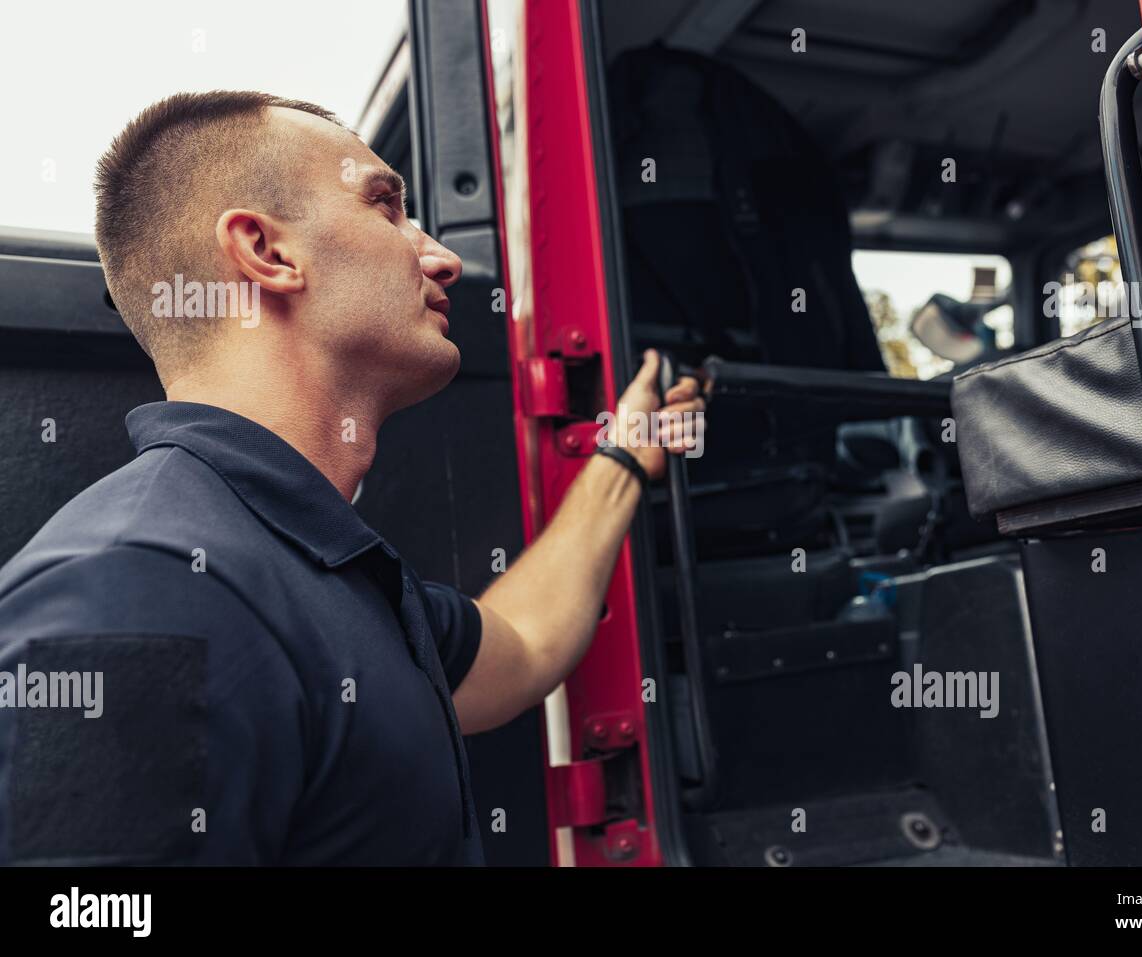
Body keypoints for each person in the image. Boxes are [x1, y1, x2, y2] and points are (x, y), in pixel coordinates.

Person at [0, 92, 704, 865]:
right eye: (385, 205)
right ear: (266, 253)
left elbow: (527, 646)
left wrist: (626, 453)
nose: (443, 258)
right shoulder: (135, 588)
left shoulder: (326, 573)